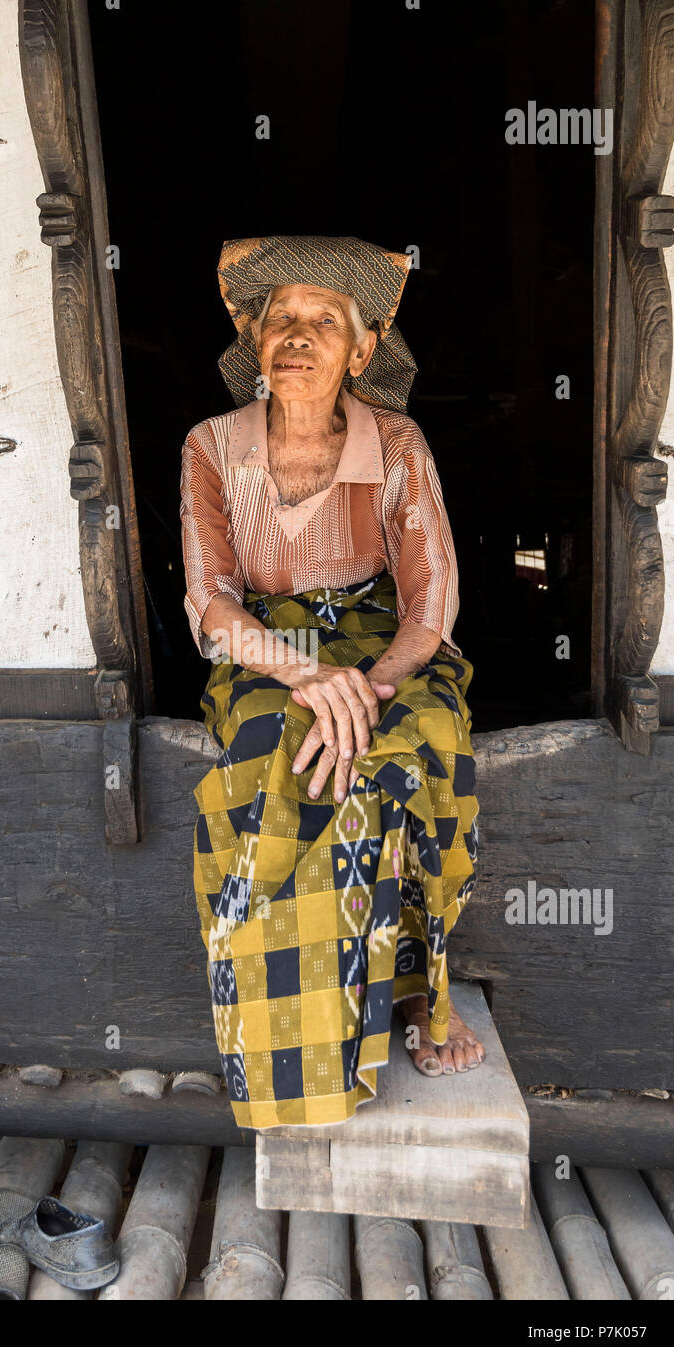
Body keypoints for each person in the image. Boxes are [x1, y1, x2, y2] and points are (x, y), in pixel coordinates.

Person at [180, 235, 483, 1130]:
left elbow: (431, 607)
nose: (298, 337)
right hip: (268, 651)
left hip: (384, 642)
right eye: (281, 320)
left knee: (420, 744)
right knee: (275, 747)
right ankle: (296, 1040)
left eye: (323, 322)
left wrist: (370, 686)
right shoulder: (211, 445)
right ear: (256, 342)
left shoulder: (396, 441)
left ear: (361, 350)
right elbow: (212, 604)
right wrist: (311, 677)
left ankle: (425, 989)